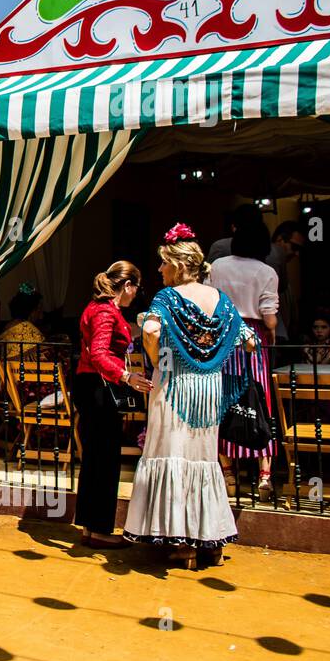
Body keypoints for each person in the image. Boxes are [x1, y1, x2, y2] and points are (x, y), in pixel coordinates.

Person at [124, 224, 256, 570]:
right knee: (202, 459)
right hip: (208, 388)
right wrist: (212, 353)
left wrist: (155, 358)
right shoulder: (219, 299)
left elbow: (150, 329)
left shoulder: (167, 299)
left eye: (163, 263)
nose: (158, 270)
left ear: (179, 266)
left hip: (174, 385)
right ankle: (208, 539)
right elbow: (248, 339)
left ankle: (180, 541)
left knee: (171, 453)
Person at [73, 261, 151, 548]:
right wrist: (126, 376)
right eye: (136, 288)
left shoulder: (98, 308)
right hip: (99, 387)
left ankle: (90, 528)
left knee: (95, 458)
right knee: (105, 459)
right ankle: (100, 530)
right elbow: (99, 354)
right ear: (127, 286)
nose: (136, 294)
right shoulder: (106, 311)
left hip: (90, 385)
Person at [209, 220, 280, 499]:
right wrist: (271, 335)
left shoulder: (217, 267)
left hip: (222, 337)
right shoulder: (267, 271)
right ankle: (264, 475)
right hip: (254, 340)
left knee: (222, 403)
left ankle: (227, 473)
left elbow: (207, 300)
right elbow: (269, 316)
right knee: (259, 403)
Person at [267, 220, 306, 343]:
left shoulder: (283, 278)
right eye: (294, 247)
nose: (296, 253)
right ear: (280, 240)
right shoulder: (263, 272)